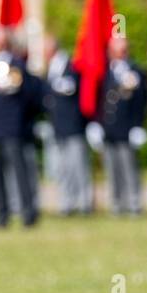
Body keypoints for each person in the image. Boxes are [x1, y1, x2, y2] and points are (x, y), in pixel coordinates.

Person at [0, 32, 43, 227]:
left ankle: (28, 212)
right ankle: (2, 213)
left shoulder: (18, 65)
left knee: (20, 171)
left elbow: (28, 96)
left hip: (13, 127)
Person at [94, 35, 147, 215]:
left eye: (122, 50)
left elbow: (141, 100)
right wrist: (96, 123)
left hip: (127, 128)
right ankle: (116, 204)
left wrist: (138, 125)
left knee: (129, 168)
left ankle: (133, 203)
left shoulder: (134, 71)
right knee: (113, 170)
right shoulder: (104, 71)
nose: (119, 54)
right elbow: (98, 98)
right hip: (109, 128)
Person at [42, 34, 91, 214]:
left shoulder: (70, 65)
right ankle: (67, 203)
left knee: (78, 166)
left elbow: (72, 88)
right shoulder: (50, 68)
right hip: (57, 126)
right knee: (62, 169)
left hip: (73, 125)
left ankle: (84, 202)